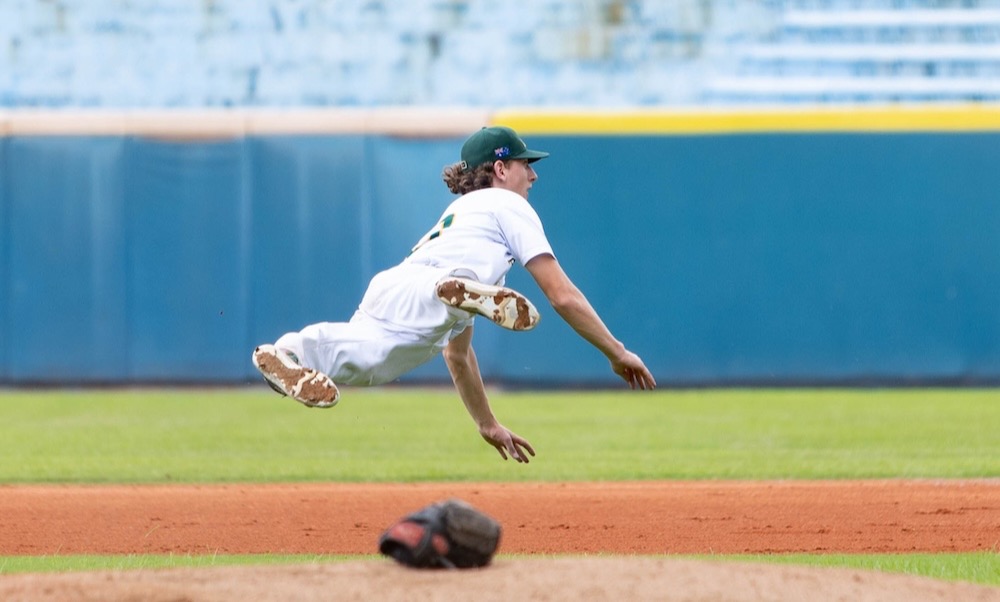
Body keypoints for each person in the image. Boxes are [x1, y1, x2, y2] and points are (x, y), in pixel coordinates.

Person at [252, 125, 656, 463]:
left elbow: (457, 356)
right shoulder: (509, 205)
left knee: (363, 359)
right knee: (426, 321)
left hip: (396, 286)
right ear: (500, 168)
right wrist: (617, 352)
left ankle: (290, 351)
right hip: (441, 290)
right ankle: (457, 289)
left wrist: (487, 424)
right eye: (524, 164)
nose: (533, 176)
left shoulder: (457, 214)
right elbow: (561, 295)